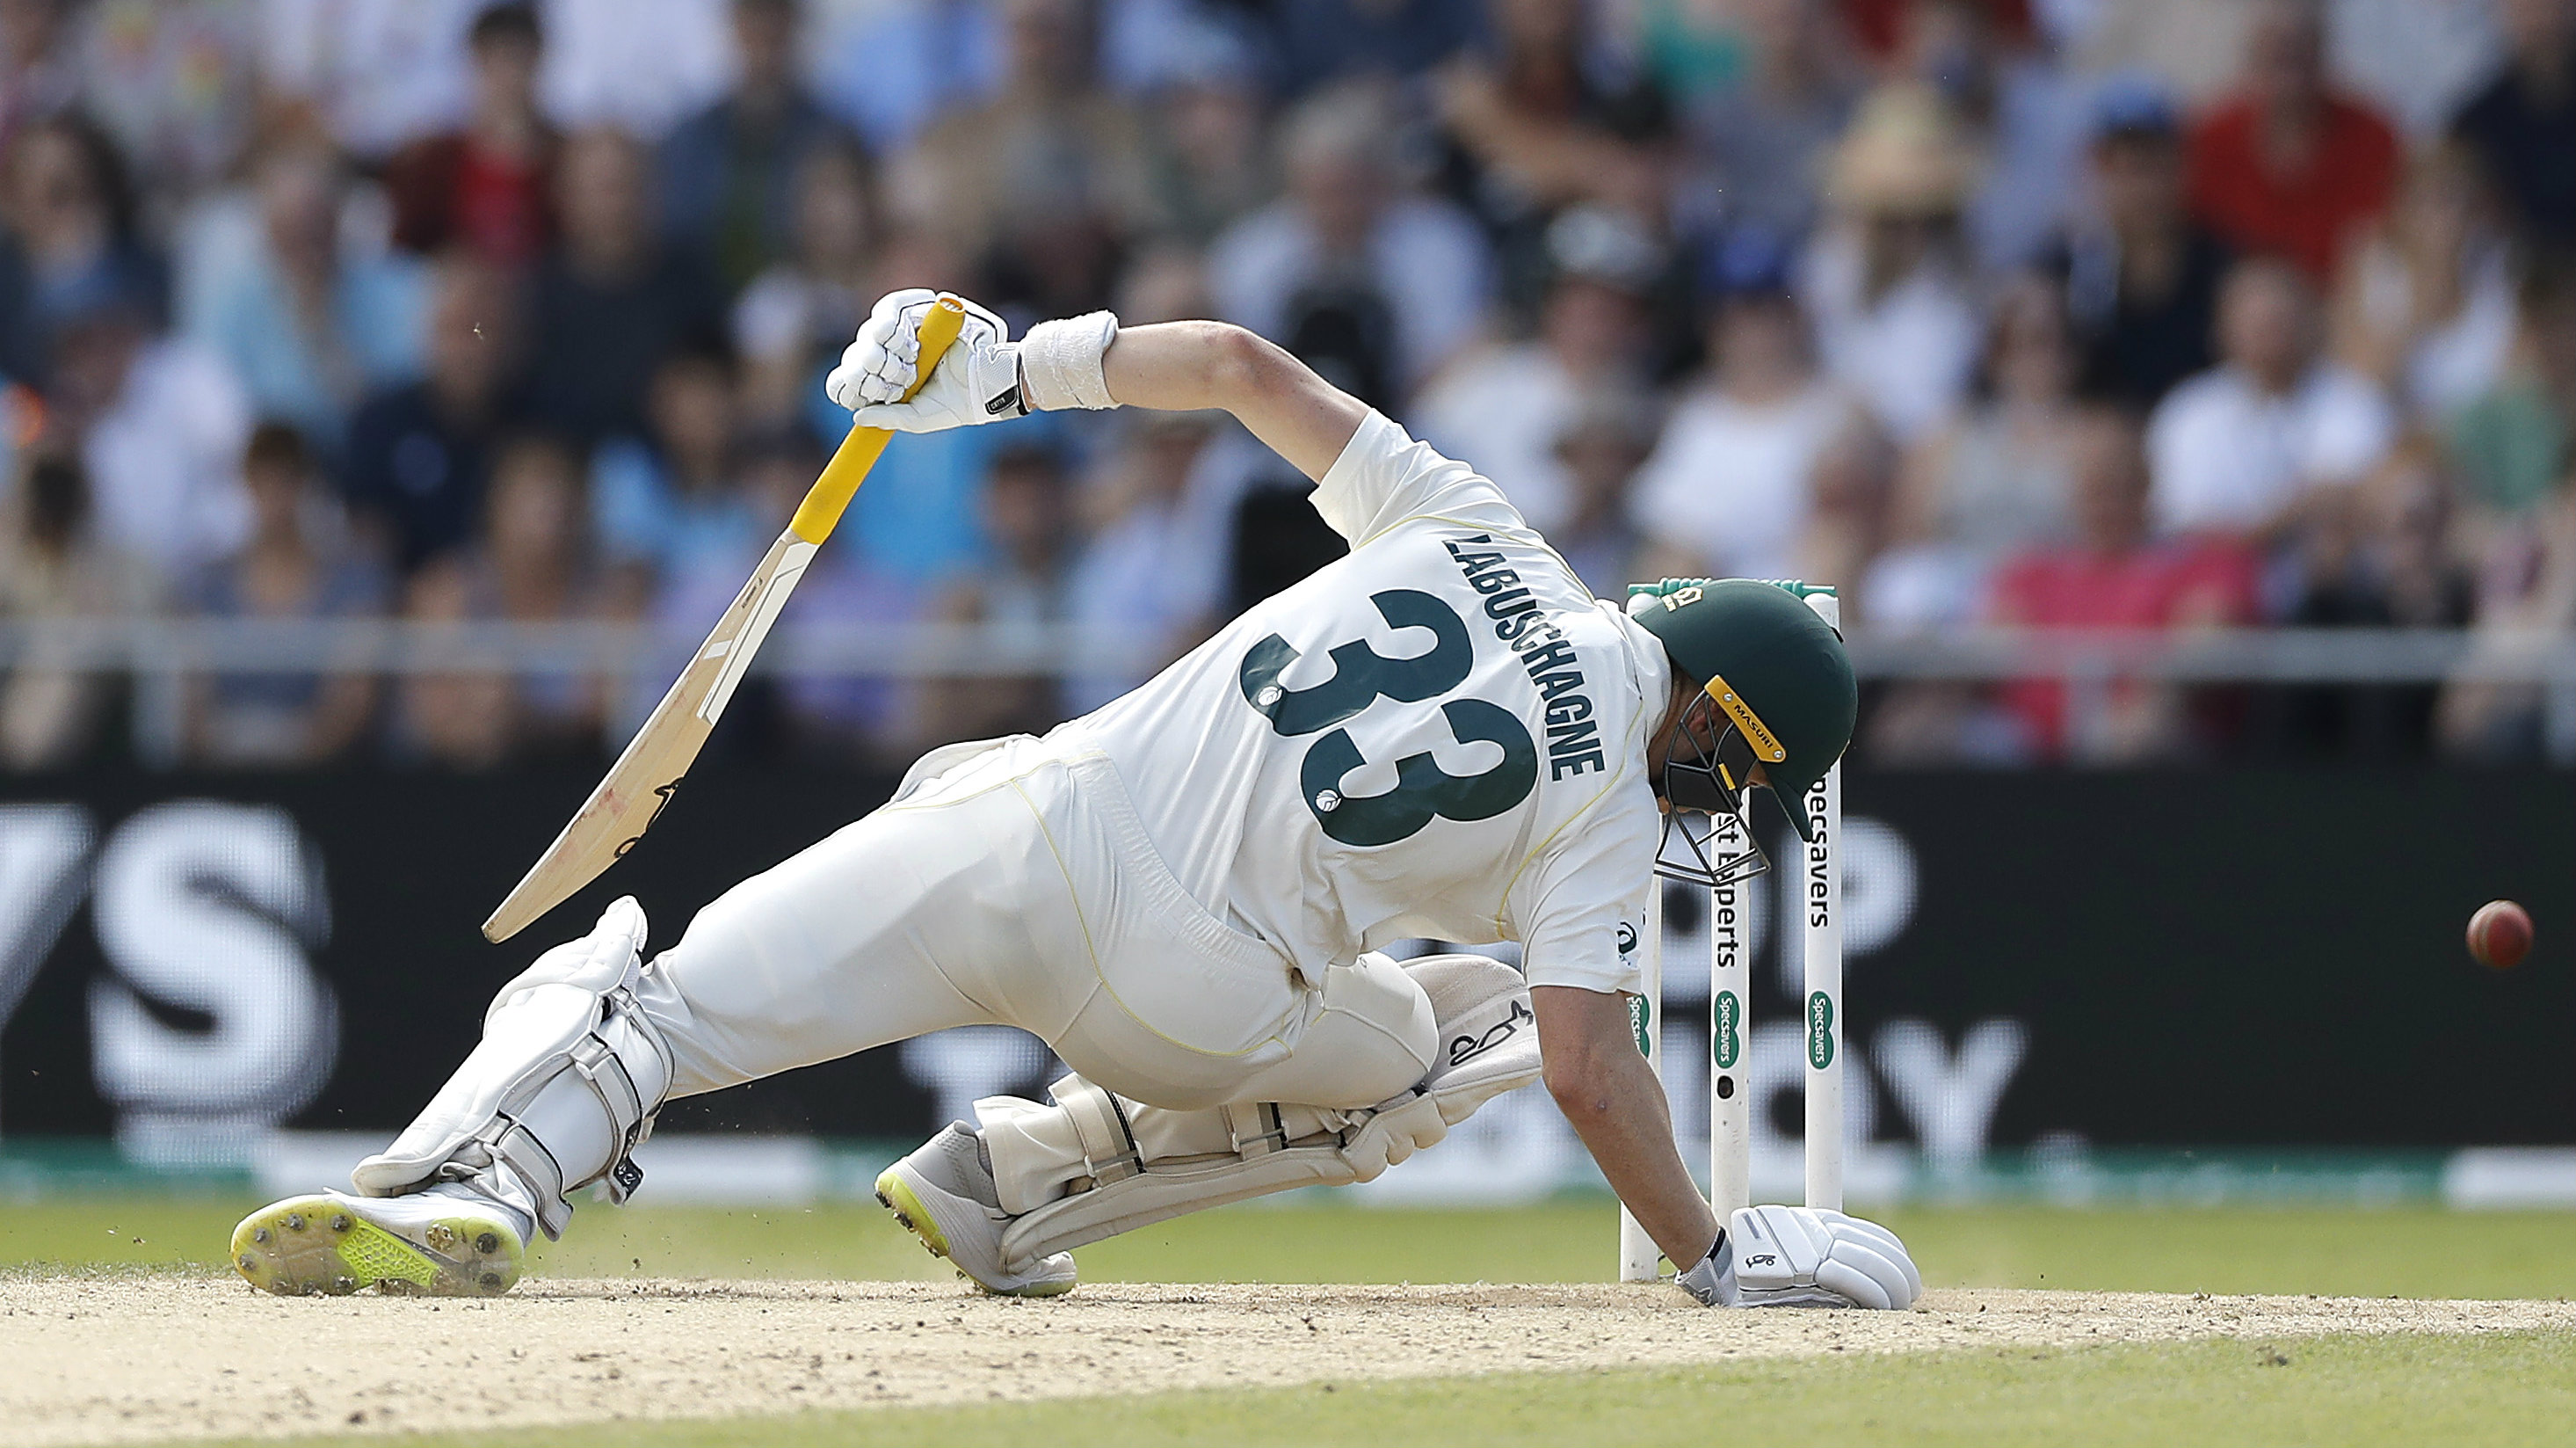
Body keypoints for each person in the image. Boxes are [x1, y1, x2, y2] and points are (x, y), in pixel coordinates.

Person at [229, 288, 1919, 1313]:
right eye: (1733, 766)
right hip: (1187, 999)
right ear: (1715, 711)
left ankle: (465, 1179)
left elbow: (1239, 363)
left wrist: (1005, 369)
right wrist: (1710, 1251)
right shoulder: (1608, 807)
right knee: (1445, 1031)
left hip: (1026, 821)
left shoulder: (1479, 526)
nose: (1712, 796)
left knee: (653, 1004)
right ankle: (1016, 1176)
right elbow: (1584, 1068)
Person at [2183, 0, 2398, 283]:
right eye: (2275, 52)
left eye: (2299, 51)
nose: (2288, 72)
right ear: (2252, 57)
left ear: (2322, 52)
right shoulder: (2211, 141)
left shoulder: (2373, 140)